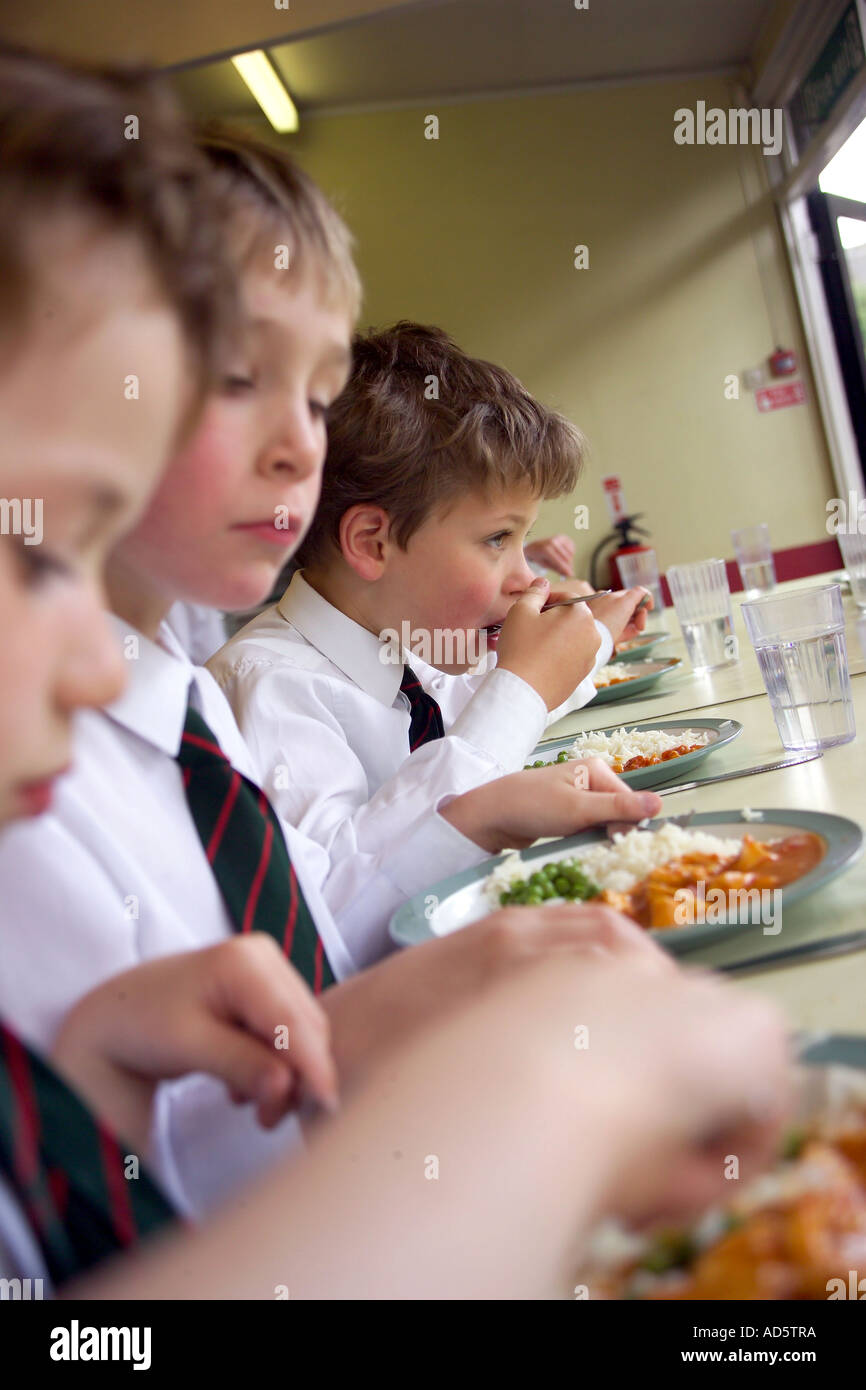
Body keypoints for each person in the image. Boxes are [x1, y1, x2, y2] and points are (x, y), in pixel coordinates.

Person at [0, 43, 793, 1303]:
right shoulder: (160, 720)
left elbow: (168, 1151)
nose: (290, 452)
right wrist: (549, 1102)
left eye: (315, 401)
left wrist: (361, 1016)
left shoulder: (180, 693)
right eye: (234, 381)